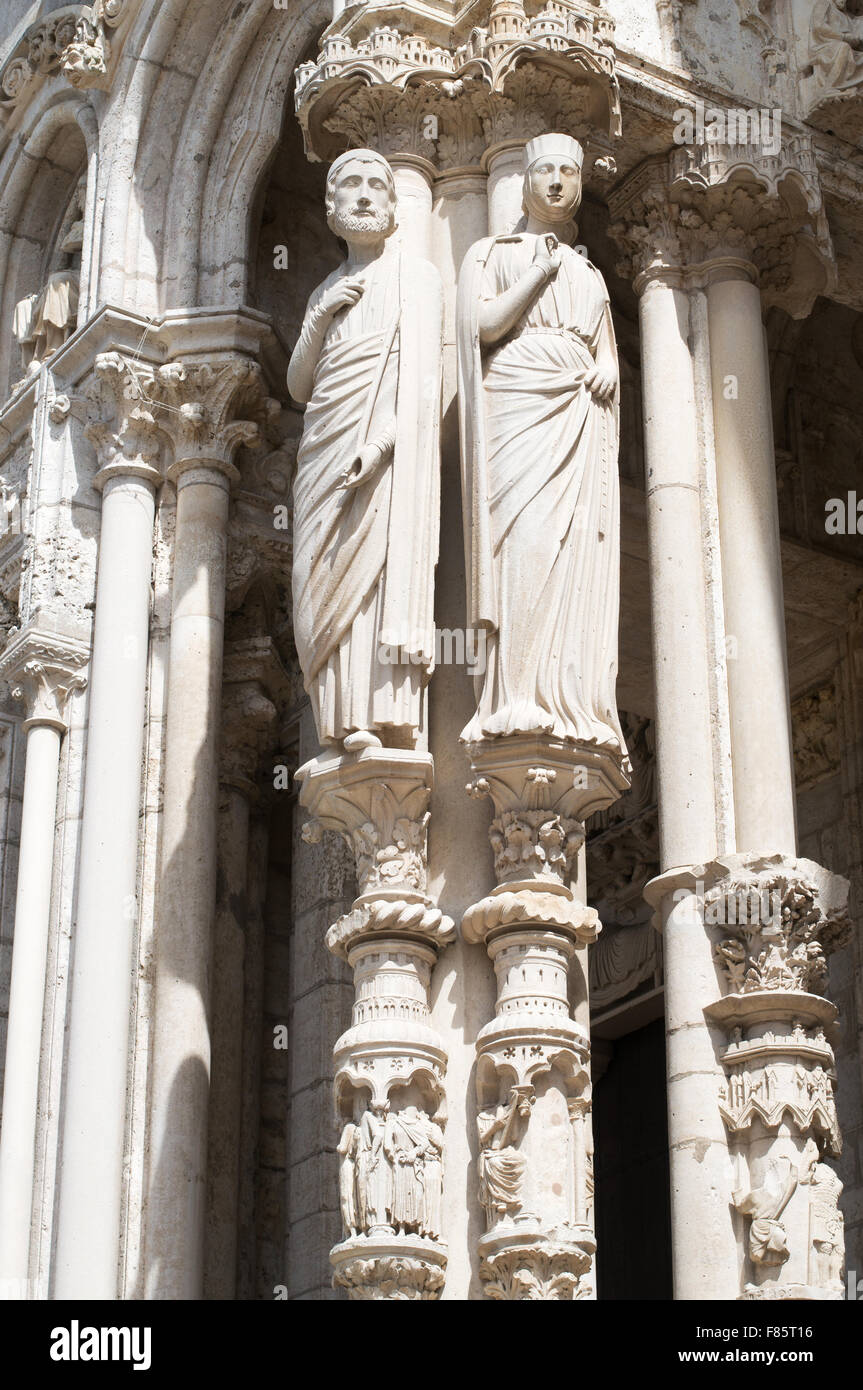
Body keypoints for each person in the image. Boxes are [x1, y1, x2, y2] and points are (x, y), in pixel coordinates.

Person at [457, 133, 625, 756]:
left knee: (568, 549)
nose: (556, 182)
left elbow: (605, 348)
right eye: (545, 171)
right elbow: (484, 326)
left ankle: (561, 693)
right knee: (522, 542)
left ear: (579, 185)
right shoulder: (492, 252)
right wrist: (538, 271)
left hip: (576, 411)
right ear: (525, 180)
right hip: (517, 404)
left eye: (568, 173)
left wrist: (609, 365)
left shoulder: (590, 274)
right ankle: (511, 690)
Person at [287, 149, 442, 752]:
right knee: (318, 578)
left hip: (379, 455)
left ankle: (378, 716)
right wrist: (320, 317)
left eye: (377, 185)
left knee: (372, 573)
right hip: (324, 449)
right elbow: (301, 387)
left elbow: (426, 383)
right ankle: (337, 719)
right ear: (330, 206)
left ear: (395, 206)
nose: (364, 195)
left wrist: (380, 446)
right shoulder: (325, 290)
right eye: (349, 184)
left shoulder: (415, 278)